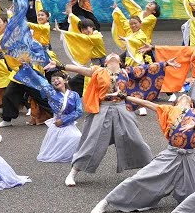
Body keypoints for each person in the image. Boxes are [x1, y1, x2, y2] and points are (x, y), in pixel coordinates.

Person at [90, 94, 195, 213]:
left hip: (188, 158)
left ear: (192, 104)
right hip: (171, 154)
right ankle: (107, 201)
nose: (184, 95)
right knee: (140, 178)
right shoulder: (168, 110)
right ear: (176, 103)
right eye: (180, 97)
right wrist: (123, 96)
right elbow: (144, 102)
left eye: (187, 97)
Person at [61, 55, 161, 187]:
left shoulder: (126, 72)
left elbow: (149, 68)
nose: (113, 55)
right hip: (104, 108)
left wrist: (166, 64)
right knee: (93, 142)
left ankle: (151, 171)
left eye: (116, 56)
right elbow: (80, 69)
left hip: (121, 108)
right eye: (110, 56)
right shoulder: (99, 71)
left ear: (120, 62)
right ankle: (73, 173)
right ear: (106, 62)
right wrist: (60, 66)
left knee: (136, 139)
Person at [13, 65, 83, 163]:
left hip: (68, 122)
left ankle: (70, 156)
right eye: (53, 81)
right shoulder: (51, 93)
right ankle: (63, 156)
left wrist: (64, 120)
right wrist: (26, 67)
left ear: (65, 80)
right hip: (57, 124)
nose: (55, 81)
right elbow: (40, 81)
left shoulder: (74, 94)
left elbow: (79, 111)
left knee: (77, 137)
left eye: (57, 79)